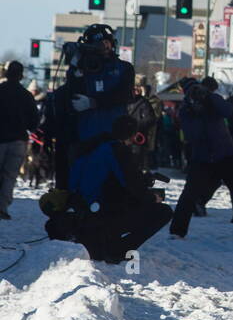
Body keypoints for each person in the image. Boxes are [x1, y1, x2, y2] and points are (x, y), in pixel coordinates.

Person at [45, 114, 172, 263]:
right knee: (163, 212)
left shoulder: (88, 149)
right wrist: (153, 197)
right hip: (101, 217)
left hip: (81, 215)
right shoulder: (116, 150)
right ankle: (118, 250)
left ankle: (108, 242)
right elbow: (133, 186)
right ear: (132, 136)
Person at [170, 81, 233, 240]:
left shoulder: (213, 100)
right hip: (203, 156)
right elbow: (192, 134)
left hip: (226, 153)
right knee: (189, 194)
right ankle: (177, 230)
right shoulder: (186, 109)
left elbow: (229, 111)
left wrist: (211, 99)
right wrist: (196, 111)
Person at [62, 23, 135, 147]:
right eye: (99, 44)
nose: (105, 46)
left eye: (107, 42)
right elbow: (71, 94)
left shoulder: (124, 68)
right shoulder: (83, 67)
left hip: (114, 134)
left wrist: (94, 102)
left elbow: (124, 95)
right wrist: (76, 63)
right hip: (86, 134)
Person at [0, 60, 39, 219]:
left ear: (6, 74)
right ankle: (2, 207)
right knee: (10, 176)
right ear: (21, 76)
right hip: (18, 142)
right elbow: (33, 123)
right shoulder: (26, 95)